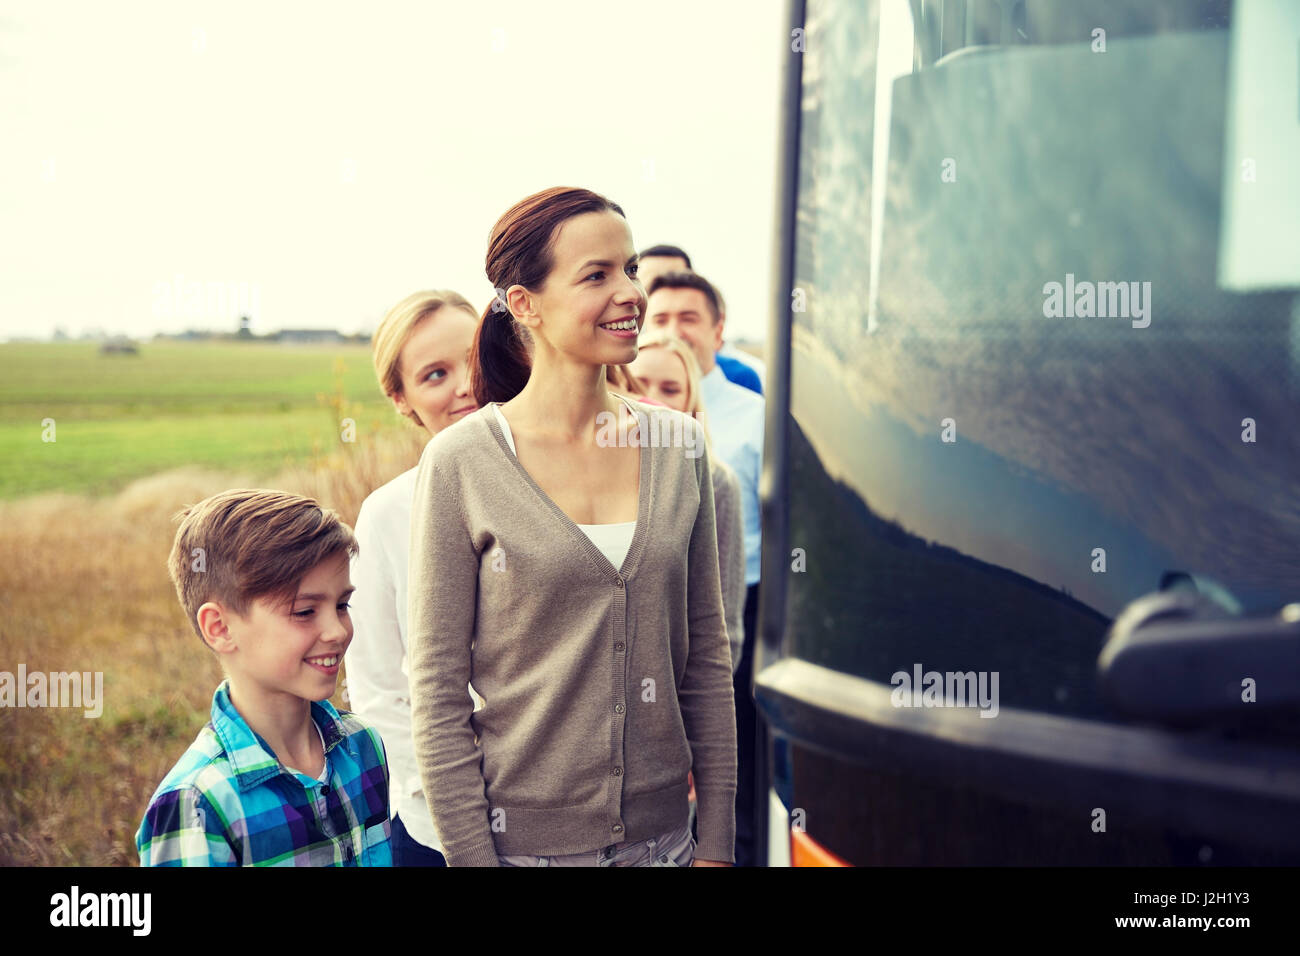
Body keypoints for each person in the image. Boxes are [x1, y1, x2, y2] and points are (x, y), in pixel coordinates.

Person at [407, 185, 737, 867]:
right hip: (522, 853)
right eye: (597, 275)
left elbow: (706, 658)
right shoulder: (461, 463)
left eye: (631, 268)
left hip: (668, 845)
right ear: (524, 303)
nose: (630, 293)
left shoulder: (681, 448)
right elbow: (437, 696)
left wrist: (717, 845)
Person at [137, 490, 392, 866]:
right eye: (305, 611)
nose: (337, 631)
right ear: (220, 627)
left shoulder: (364, 746)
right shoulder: (197, 804)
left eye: (342, 605)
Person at [346, 290, 480, 867]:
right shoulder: (388, 514)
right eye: (435, 375)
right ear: (402, 400)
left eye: (475, 359)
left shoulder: (569, 487)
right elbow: (376, 688)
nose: (466, 385)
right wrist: (455, 799)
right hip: (438, 830)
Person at [645, 269, 764, 867]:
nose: (673, 330)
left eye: (688, 317)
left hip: (730, 607)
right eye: (659, 317)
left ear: (718, 329)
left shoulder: (748, 422)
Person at [628, 331, 746, 676]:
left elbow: (724, 630)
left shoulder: (715, 481)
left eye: (670, 389)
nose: (649, 399)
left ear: (690, 405)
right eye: (637, 383)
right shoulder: (575, 473)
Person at [636, 244, 764, 394]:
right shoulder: (622, 379)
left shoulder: (739, 378)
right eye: (661, 320)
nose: (673, 333)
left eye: (688, 319)